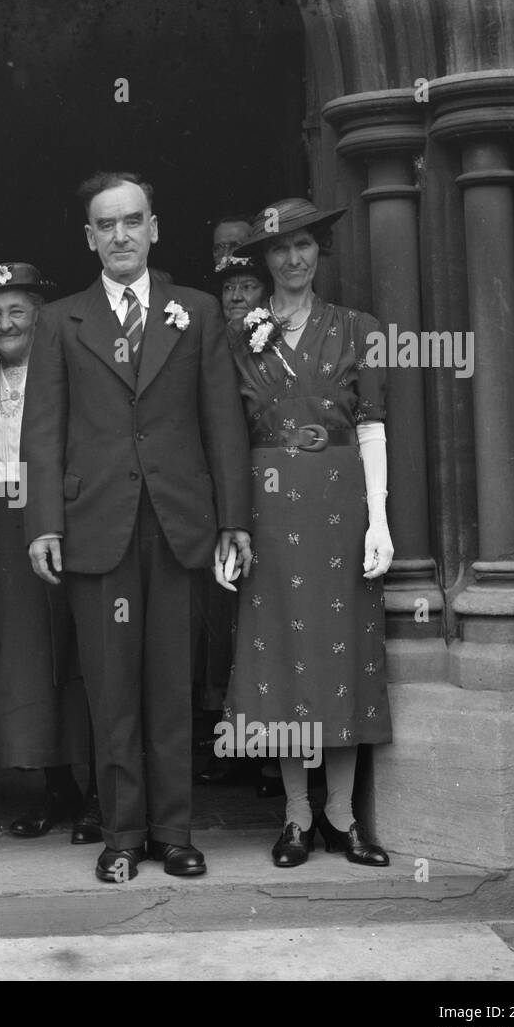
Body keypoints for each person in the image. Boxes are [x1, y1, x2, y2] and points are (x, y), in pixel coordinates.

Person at [22, 172, 251, 882]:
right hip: (97, 526)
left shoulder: (198, 311)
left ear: (153, 227)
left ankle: (173, 832)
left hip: (180, 524)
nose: (120, 236)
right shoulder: (62, 320)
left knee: (172, 686)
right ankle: (122, 834)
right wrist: (43, 526)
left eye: (132, 221)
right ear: (89, 238)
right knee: (112, 689)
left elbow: (224, 422)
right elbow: (43, 430)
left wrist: (233, 520)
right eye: (105, 225)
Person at [222, 197, 393, 869]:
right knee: (281, 657)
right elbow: (228, 435)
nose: (293, 259)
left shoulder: (358, 329)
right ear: (264, 260)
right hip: (269, 508)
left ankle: (343, 816)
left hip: (339, 502)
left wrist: (378, 521)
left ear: (320, 252)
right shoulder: (240, 337)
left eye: (304, 246)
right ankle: (295, 816)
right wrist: (229, 528)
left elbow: (373, 426)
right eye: (279, 249)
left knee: (342, 654)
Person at [0, 262, 98, 841]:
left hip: (66, 521)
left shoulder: (68, 370)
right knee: (25, 661)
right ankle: (54, 787)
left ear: (41, 317)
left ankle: (97, 792)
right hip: (1, 524)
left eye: (17, 311)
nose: (5, 324)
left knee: (78, 656)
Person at [194, 246, 284, 797]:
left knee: (270, 617)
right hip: (217, 495)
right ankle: (229, 745)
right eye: (227, 287)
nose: (235, 296)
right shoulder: (208, 339)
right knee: (220, 627)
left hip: (274, 492)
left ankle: (277, 757)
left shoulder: (272, 343)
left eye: (247, 285)